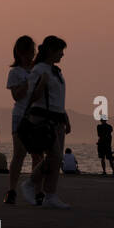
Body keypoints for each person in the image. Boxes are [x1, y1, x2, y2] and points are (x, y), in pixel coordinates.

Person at [19, 36, 71, 209]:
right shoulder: (39, 70)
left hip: (57, 118)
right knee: (54, 155)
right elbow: (32, 96)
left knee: (56, 158)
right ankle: (31, 183)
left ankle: (50, 194)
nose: (62, 54)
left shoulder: (56, 71)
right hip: (43, 118)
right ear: (50, 50)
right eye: (60, 51)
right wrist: (41, 84)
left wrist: (65, 118)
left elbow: (59, 98)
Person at [5, 35, 40, 204]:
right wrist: (28, 81)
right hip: (20, 116)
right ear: (19, 53)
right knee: (19, 154)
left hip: (36, 115)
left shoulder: (38, 70)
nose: (30, 56)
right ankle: (12, 190)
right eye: (28, 52)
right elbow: (16, 96)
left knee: (37, 155)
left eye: (32, 52)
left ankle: (36, 189)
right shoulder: (15, 73)